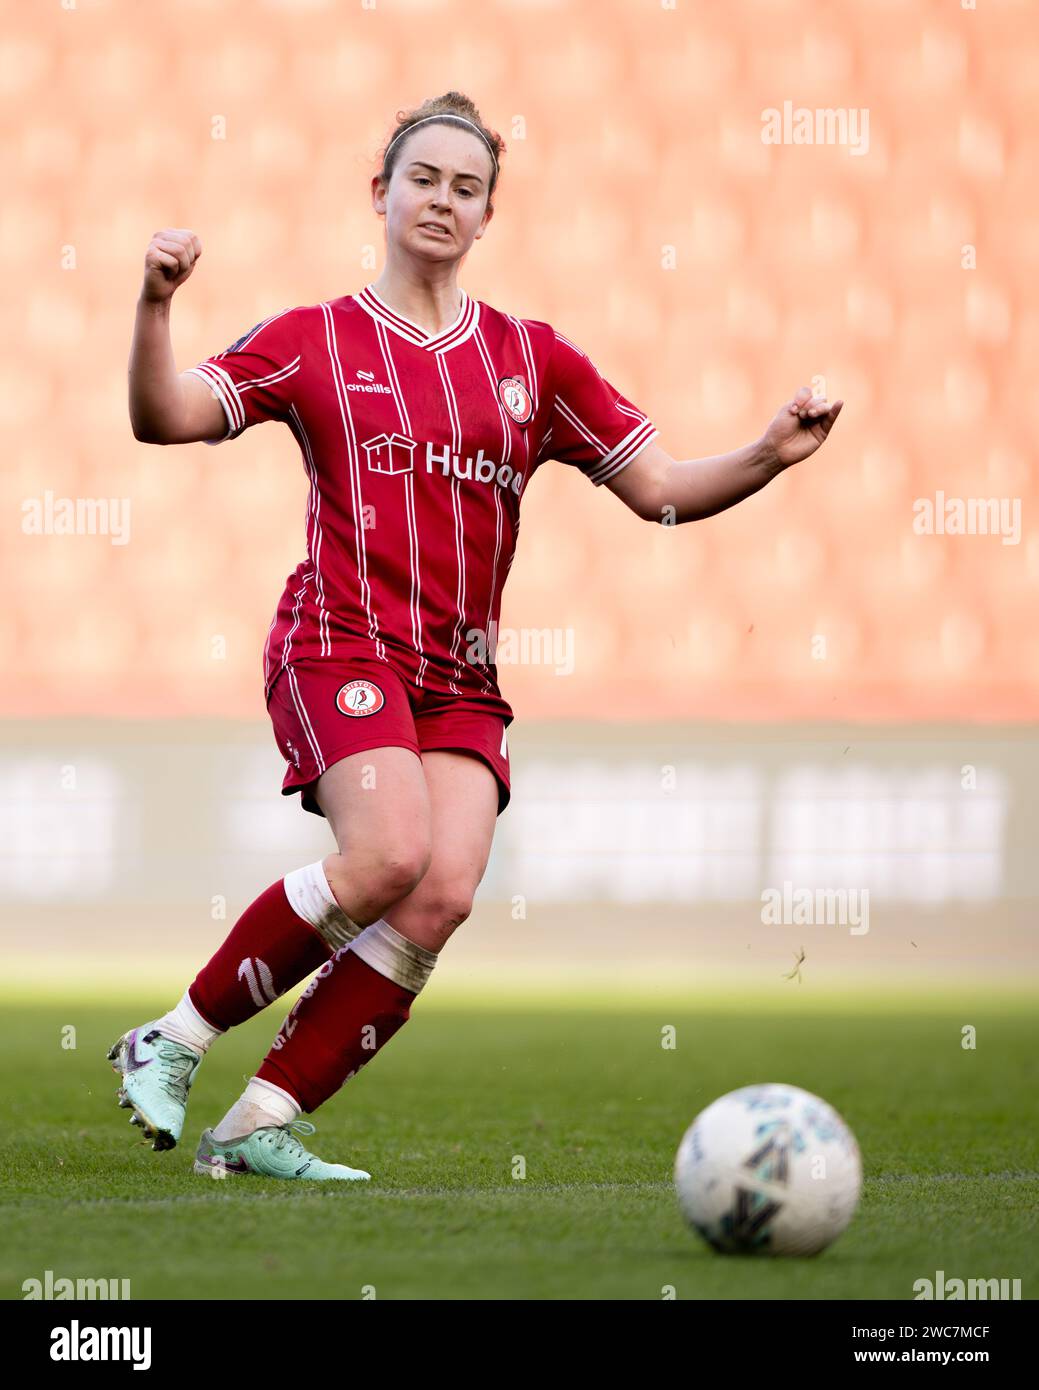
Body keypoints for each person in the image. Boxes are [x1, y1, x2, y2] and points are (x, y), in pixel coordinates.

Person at [114, 91, 843, 1183]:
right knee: (389, 852)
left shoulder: (530, 360)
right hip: (339, 640)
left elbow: (658, 492)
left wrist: (765, 455)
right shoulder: (311, 339)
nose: (443, 201)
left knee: (440, 891)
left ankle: (253, 1125)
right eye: (424, 178)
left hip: (457, 675)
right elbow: (162, 416)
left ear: (489, 214)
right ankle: (169, 1037)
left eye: (467, 187)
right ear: (381, 191)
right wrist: (154, 303)